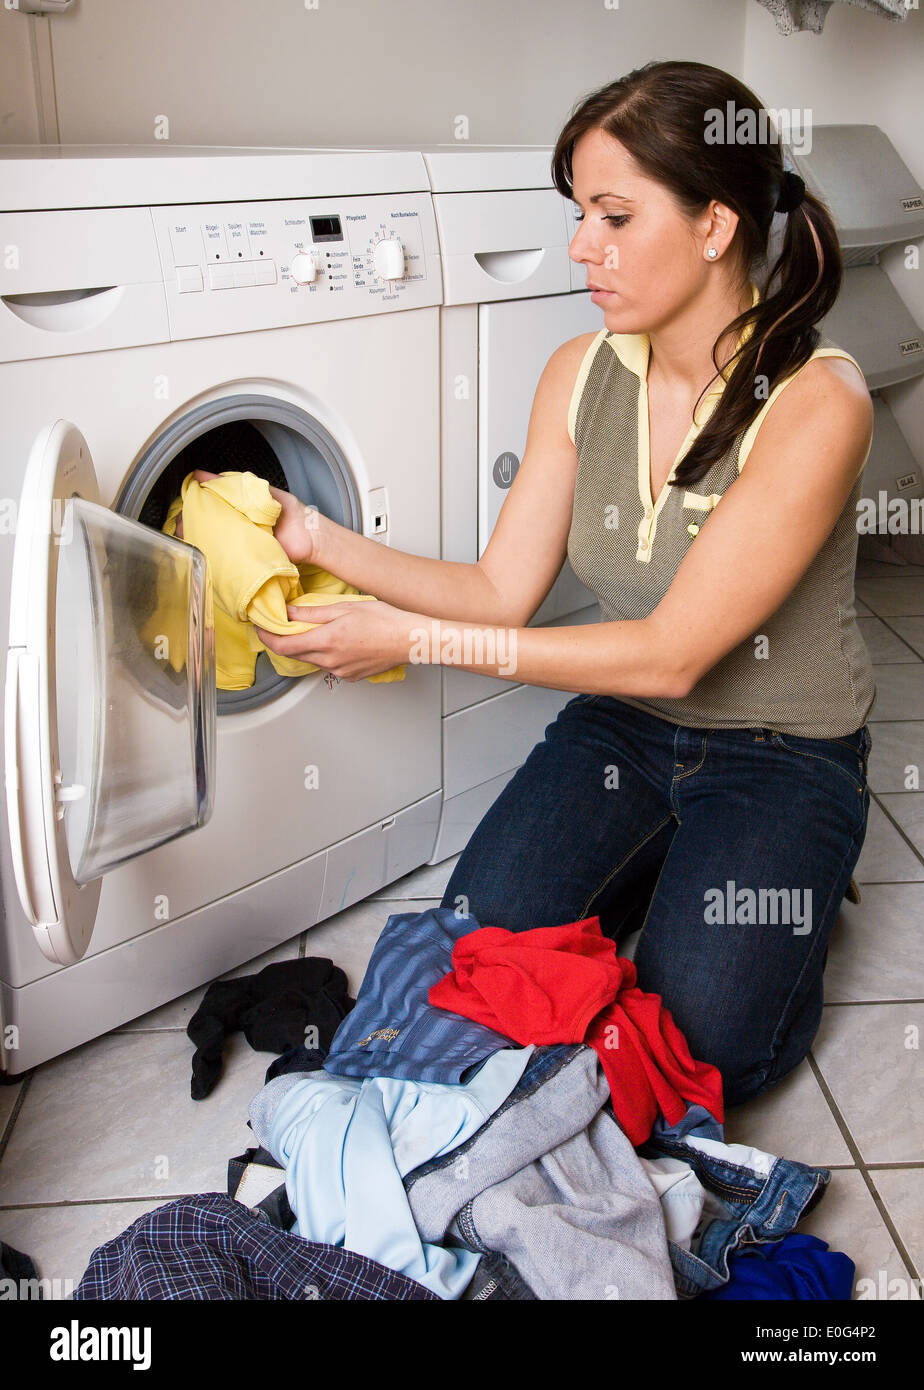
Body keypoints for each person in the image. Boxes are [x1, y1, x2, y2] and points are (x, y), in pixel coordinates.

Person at [199, 60, 876, 1107]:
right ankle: (669, 866)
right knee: (477, 958)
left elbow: (674, 650)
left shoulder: (814, 402)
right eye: (576, 215)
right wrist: (312, 532)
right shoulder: (582, 370)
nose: (578, 249)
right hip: (627, 733)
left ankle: (795, 867)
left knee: (707, 1049)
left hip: (779, 754)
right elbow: (497, 588)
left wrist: (407, 640)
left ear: (713, 226)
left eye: (612, 216)